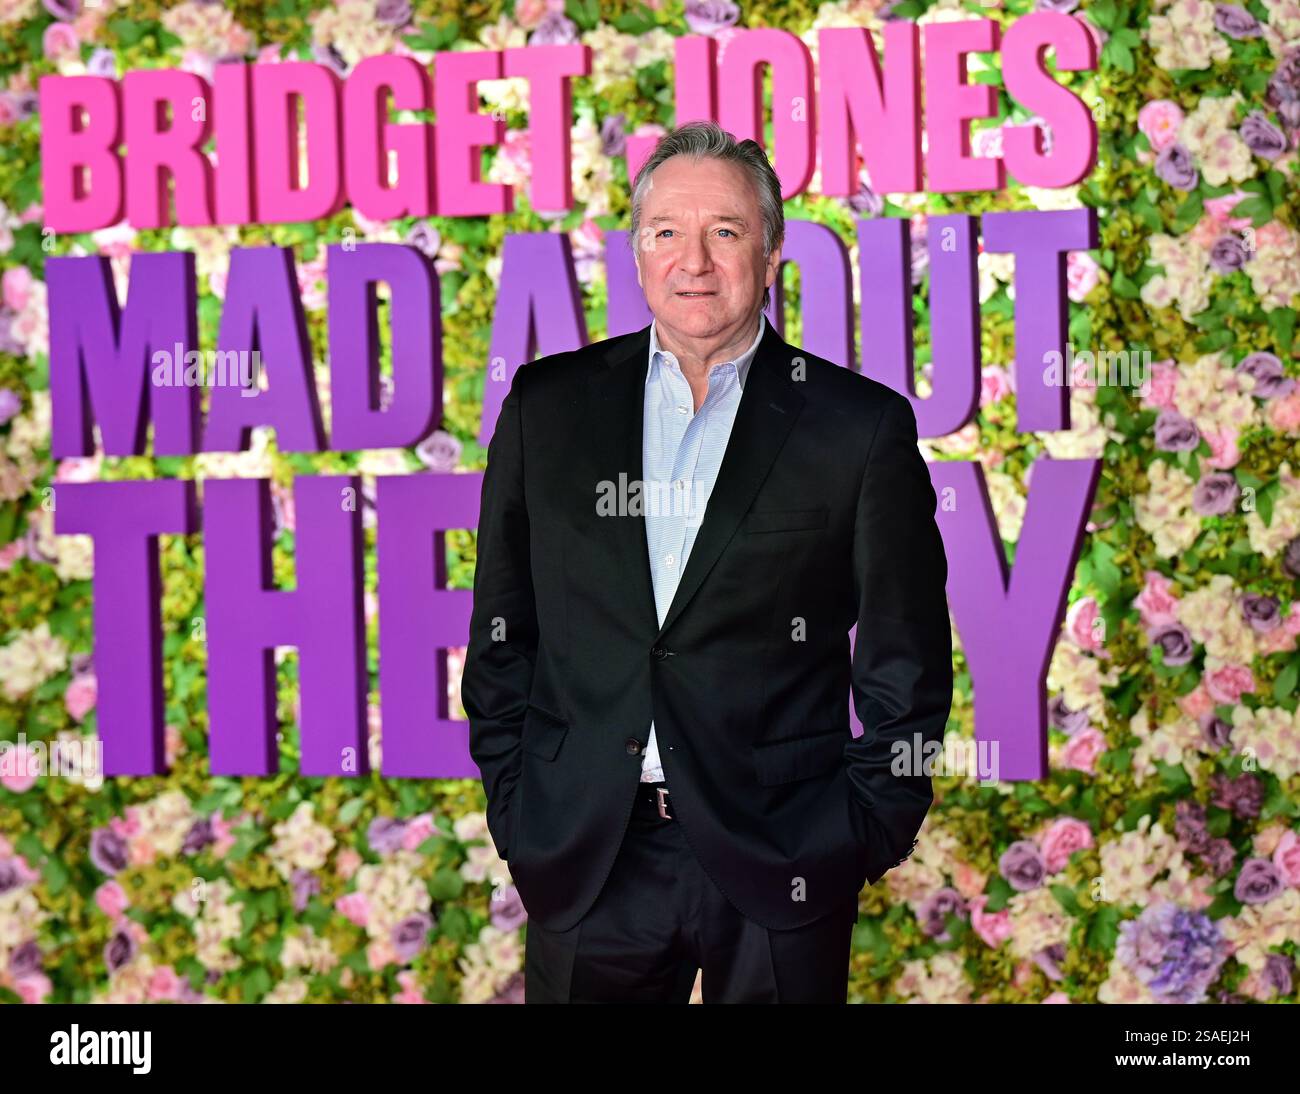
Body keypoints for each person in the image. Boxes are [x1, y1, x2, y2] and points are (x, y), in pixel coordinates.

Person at [463, 120, 952, 1003]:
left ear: (770, 257)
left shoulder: (858, 428)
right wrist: (520, 812)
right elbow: (503, 635)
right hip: (589, 859)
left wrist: (859, 837)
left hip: (782, 861)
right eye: (667, 233)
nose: (694, 260)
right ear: (637, 253)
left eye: (724, 232)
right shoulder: (548, 408)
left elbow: (905, 662)